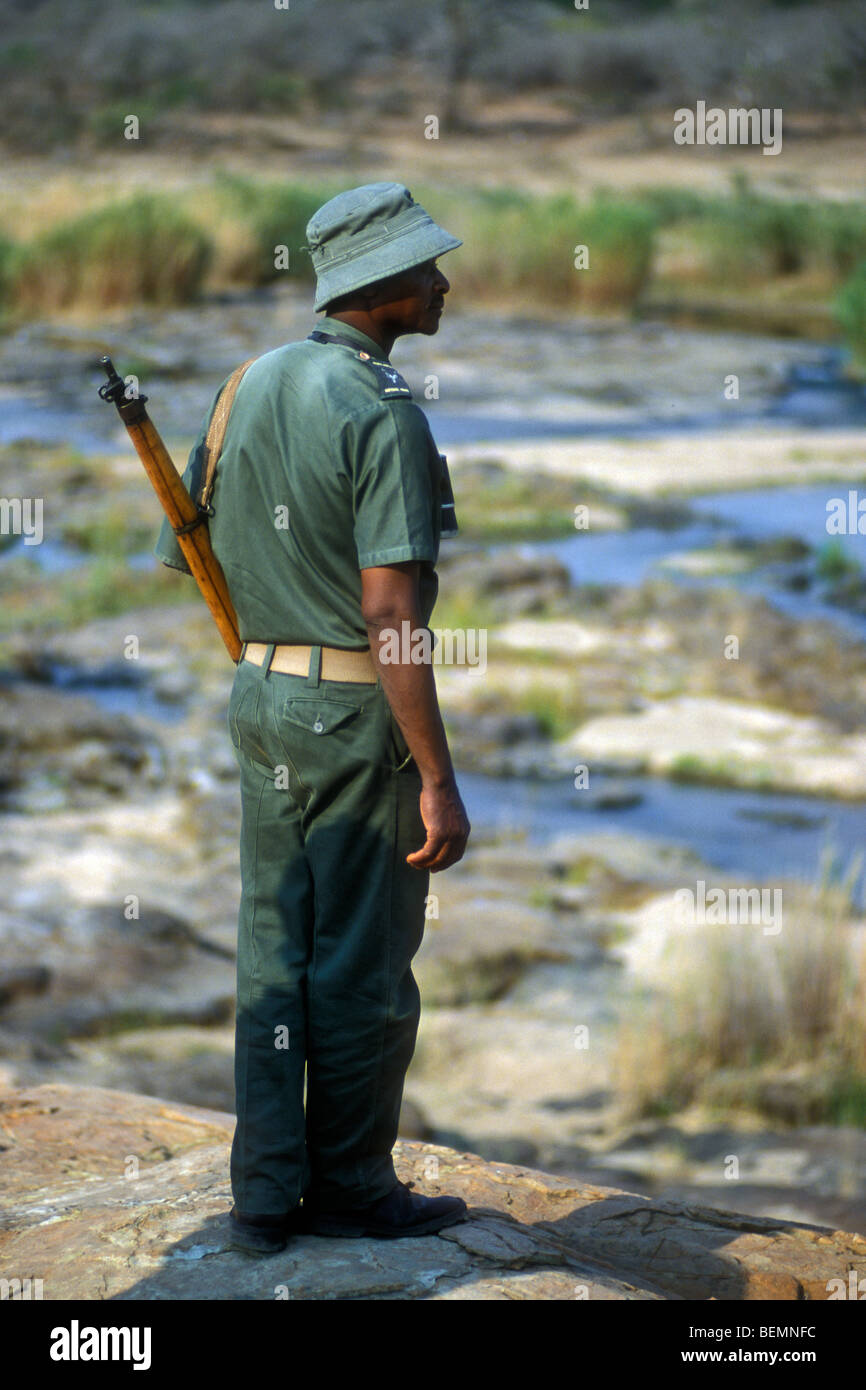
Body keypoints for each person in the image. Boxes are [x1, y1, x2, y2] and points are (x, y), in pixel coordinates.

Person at [154, 182, 471, 1255]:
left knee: (269, 948)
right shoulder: (379, 410)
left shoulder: (247, 385)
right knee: (362, 966)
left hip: (261, 693)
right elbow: (390, 612)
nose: (441, 282)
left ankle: (260, 1195)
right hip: (352, 707)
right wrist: (434, 773)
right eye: (425, 268)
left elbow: (196, 552)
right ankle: (348, 1187)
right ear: (379, 289)